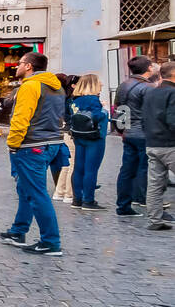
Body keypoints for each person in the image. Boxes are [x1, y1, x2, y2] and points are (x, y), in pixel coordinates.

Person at [0, 52, 66, 255]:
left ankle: (50, 241)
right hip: (52, 142)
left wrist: (12, 144)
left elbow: (20, 119)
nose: (16, 67)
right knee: (25, 188)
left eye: (19, 63)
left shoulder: (30, 86)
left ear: (28, 66)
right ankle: (18, 231)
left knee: (37, 193)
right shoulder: (56, 87)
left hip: (32, 145)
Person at [114, 55, 159, 216]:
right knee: (146, 168)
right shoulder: (148, 87)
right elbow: (154, 112)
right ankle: (143, 198)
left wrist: (122, 130)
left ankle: (123, 204)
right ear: (149, 68)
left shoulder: (123, 85)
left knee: (127, 169)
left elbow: (119, 108)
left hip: (129, 132)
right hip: (144, 132)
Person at [67, 73, 109, 211]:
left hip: (79, 136)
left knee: (78, 168)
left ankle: (77, 199)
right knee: (91, 169)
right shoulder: (93, 100)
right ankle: (88, 200)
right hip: (94, 137)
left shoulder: (75, 100)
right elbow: (97, 116)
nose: (101, 84)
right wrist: (104, 110)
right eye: (99, 82)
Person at [142, 60, 175, 232]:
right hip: (170, 144)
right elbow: (172, 120)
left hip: (152, 143)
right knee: (155, 184)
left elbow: (144, 118)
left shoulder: (151, 92)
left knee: (154, 184)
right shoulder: (173, 93)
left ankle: (155, 219)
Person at [51, 74, 78, 202]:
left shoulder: (61, 97)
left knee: (66, 164)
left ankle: (60, 191)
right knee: (71, 164)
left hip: (63, 131)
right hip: (69, 132)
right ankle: (68, 193)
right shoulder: (71, 100)